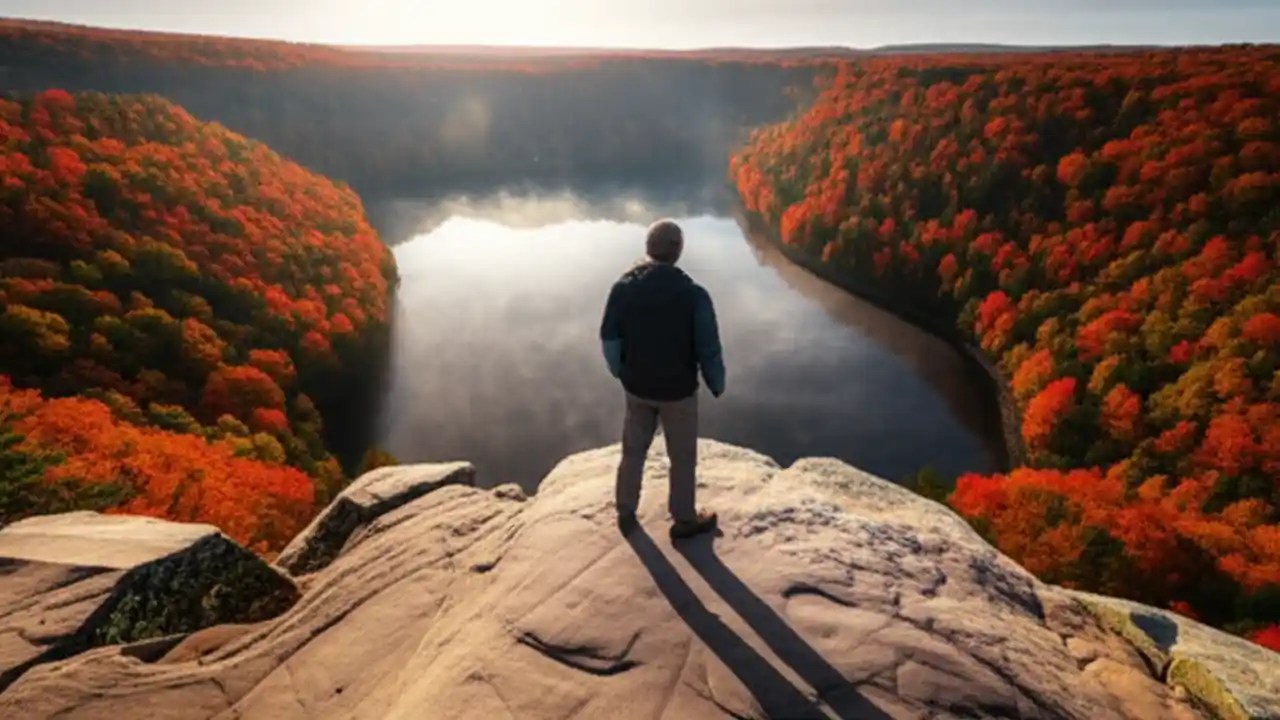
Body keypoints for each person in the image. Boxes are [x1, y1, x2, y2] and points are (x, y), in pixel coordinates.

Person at [599, 219, 725, 540]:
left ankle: (626, 510)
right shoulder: (694, 294)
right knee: (682, 457)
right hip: (678, 391)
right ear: (677, 251)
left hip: (637, 387)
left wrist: (621, 371)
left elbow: (609, 338)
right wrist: (716, 382)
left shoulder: (623, 288)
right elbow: (707, 346)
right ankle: (683, 519)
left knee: (633, 449)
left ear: (648, 249)